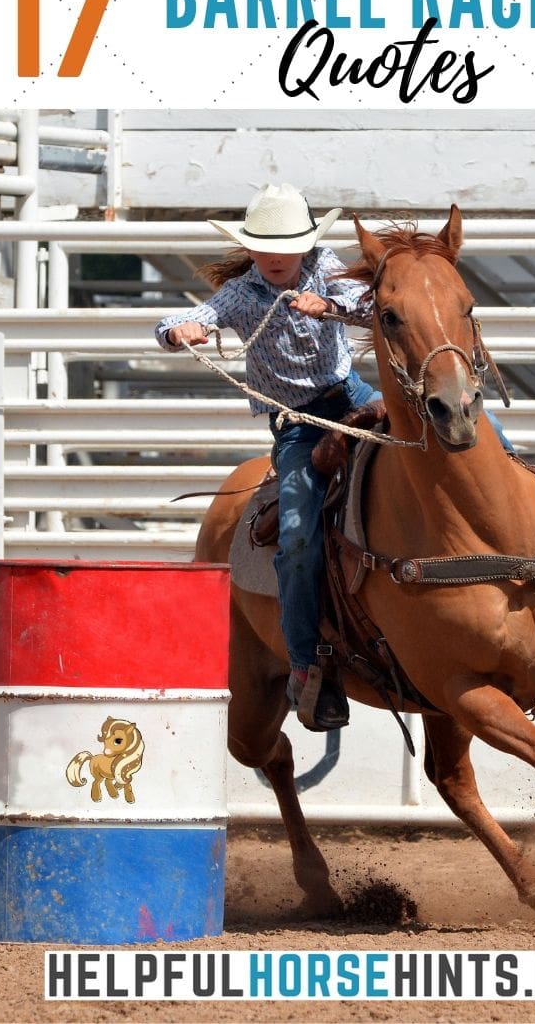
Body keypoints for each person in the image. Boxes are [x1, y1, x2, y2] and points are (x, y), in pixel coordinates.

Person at [155, 182, 379, 733]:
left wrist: (328, 305)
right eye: (266, 246)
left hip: (354, 398)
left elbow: (374, 306)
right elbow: (182, 321)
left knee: (470, 438)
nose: (278, 256)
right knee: (298, 533)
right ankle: (305, 666)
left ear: (307, 245)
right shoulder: (240, 295)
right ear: (250, 248)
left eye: (289, 244)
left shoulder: (326, 268)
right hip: (299, 425)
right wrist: (180, 331)